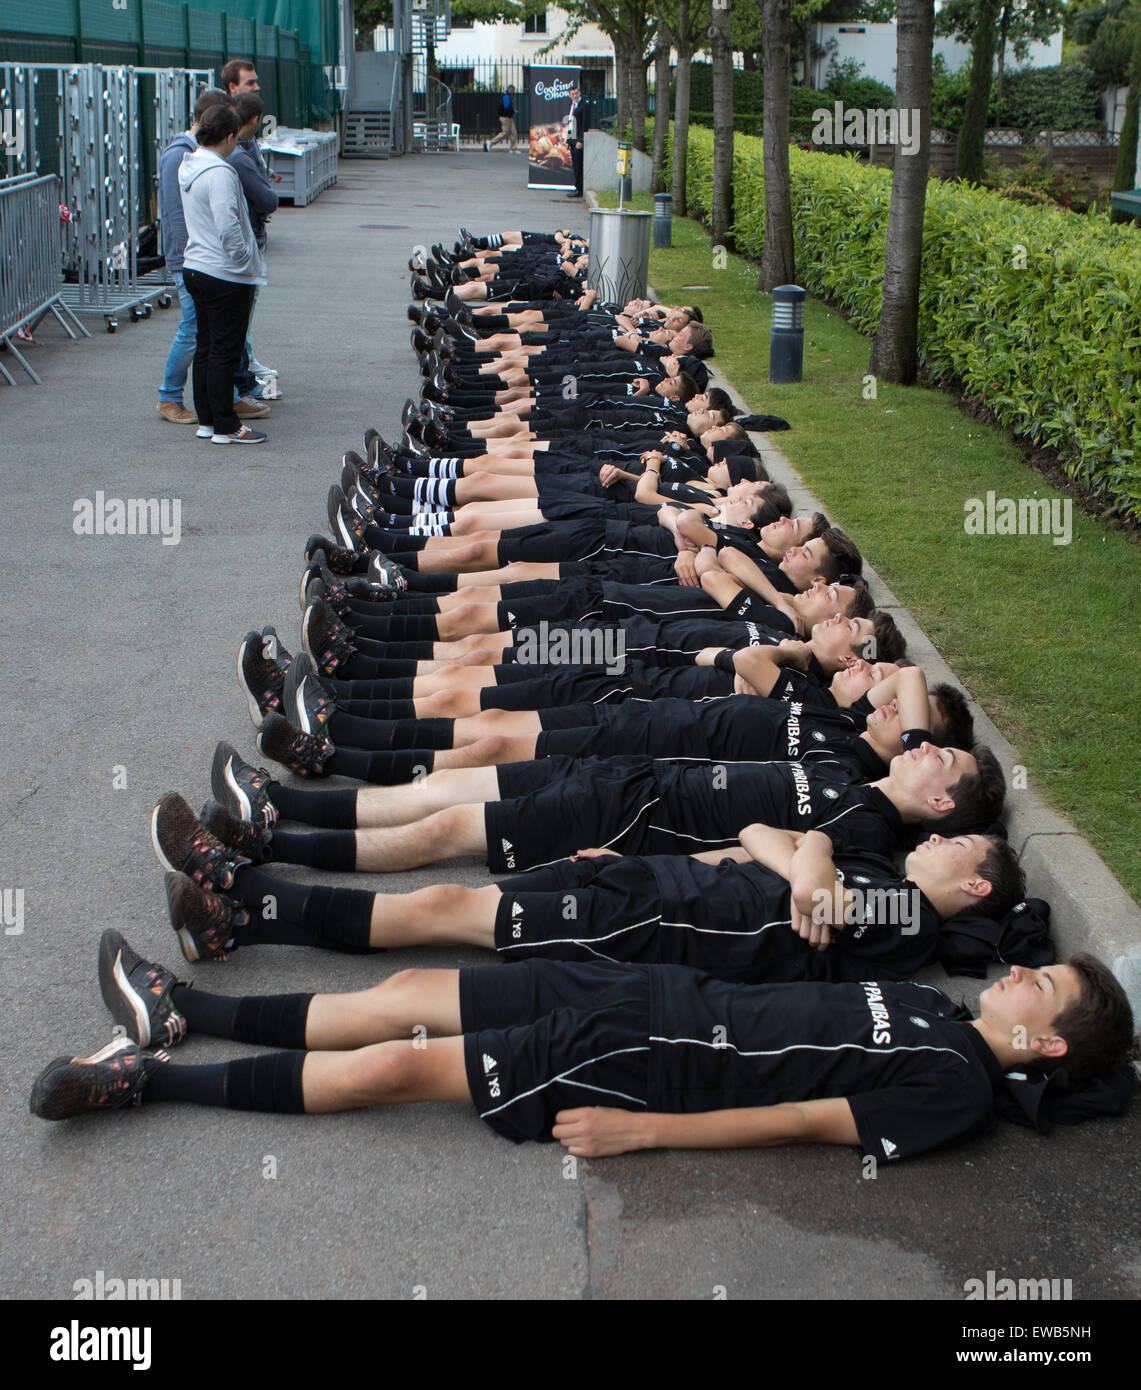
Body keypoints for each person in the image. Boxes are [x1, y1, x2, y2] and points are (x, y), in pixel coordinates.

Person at [30, 931, 1134, 1168]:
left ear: (1037, 1040)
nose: (1018, 974)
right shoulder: (932, 1004)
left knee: (401, 1064)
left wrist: (647, 1131)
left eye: (1041, 985)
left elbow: (807, 1117)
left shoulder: (957, 1083)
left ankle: (147, 1079)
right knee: (415, 992)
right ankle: (187, 1005)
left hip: (646, 1066)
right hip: (643, 990)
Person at [179, 104, 268, 444]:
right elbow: (228, 225)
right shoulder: (220, 172)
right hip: (224, 272)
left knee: (206, 347)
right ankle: (226, 425)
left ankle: (208, 419)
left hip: (197, 266)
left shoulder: (190, 165)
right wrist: (246, 259)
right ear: (230, 137)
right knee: (224, 351)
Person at [155, 89, 235, 425]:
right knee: (193, 329)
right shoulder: (180, 156)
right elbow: (176, 215)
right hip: (190, 259)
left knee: (211, 330)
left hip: (197, 257)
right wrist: (191, 257)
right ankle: (169, 395)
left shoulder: (193, 154)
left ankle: (225, 396)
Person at [227, 91, 279, 401]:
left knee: (238, 321)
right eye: (251, 82)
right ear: (255, 119)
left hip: (243, 243)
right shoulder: (239, 156)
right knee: (238, 319)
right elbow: (267, 199)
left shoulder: (242, 149)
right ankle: (241, 387)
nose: (258, 85)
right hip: (243, 248)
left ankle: (242, 381)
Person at [565, 86, 590, 198]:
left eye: (576, 93)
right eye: (573, 94)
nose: (575, 95)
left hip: (578, 140)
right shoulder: (573, 106)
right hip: (573, 139)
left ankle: (580, 189)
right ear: (570, 95)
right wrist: (568, 140)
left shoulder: (584, 105)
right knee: (575, 164)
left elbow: (585, 124)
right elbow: (571, 124)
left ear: (579, 93)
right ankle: (577, 186)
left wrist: (581, 140)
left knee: (579, 164)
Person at [485, 86, 518, 152]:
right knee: (505, 133)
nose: (513, 91)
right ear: (510, 89)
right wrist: (513, 111)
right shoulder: (506, 96)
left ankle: (513, 149)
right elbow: (506, 107)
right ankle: (490, 143)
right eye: (513, 90)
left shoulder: (507, 96)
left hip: (509, 117)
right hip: (505, 117)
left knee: (514, 133)